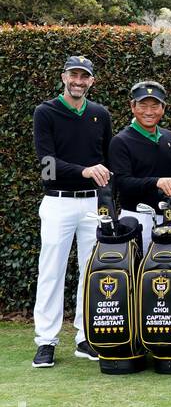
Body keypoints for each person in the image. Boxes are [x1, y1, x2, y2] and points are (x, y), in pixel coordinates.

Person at [31, 56, 113, 367]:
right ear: (64, 76)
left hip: (92, 204)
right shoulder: (46, 112)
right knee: (52, 271)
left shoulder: (99, 114)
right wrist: (85, 171)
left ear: (91, 81)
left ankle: (84, 336)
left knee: (91, 272)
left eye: (85, 76)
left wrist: (103, 188)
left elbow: (106, 159)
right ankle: (46, 341)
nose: (78, 81)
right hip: (58, 201)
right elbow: (47, 166)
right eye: (74, 75)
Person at [108, 80, 171, 254]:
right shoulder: (121, 141)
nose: (149, 112)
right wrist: (156, 182)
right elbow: (122, 182)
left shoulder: (170, 137)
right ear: (132, 107)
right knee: (135, 274)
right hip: (136, 219)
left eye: (155, 106)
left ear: (163, 108)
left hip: (170, 220)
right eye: (143, 105)